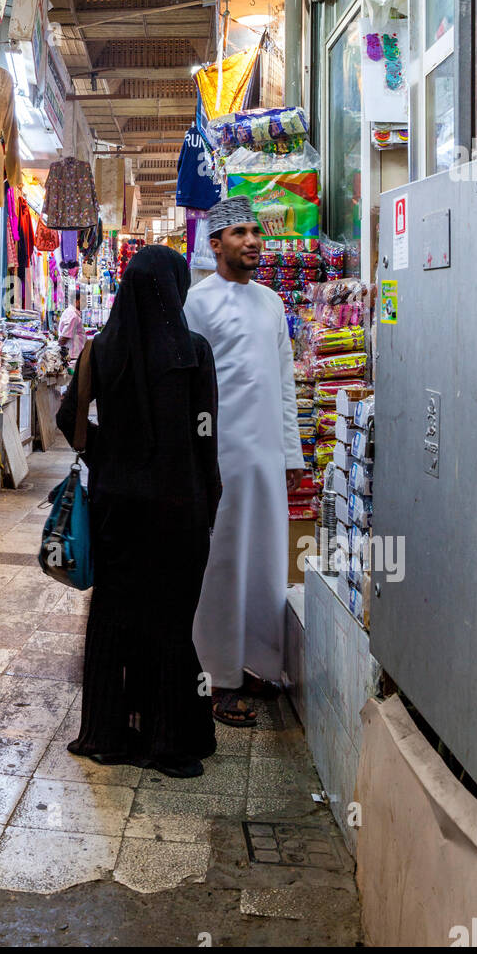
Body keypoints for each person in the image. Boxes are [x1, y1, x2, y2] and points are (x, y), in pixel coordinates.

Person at [56, 245, 221, 777]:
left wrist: (110, 455)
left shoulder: (102, 350)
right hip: (179, 506)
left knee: (114, 612)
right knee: (170, 618)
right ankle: (167, 740)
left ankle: (108, 732)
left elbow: (68, 418)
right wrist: (209, 498)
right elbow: (205, 438)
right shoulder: (193, 352)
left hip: (116, 506)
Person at [183, 197, 305, 728]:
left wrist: (291, 449)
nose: (253, 241)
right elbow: (188, 385)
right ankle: (216, 675)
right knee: (222, 563)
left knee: (265, 558)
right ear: (215, 244)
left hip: (264, 458)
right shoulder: (197, 302)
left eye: (257, 232)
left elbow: (284, 382)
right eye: (239, 233)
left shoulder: (273, 303)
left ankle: (258, 663)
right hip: (218, 455)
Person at [58, 287, 86, 363]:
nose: (85, 303)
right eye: (83, 300)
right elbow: (65, 336)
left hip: (73, 355)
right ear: (75, 301)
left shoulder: (70, 312)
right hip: (73, 355)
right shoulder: (73, 315)